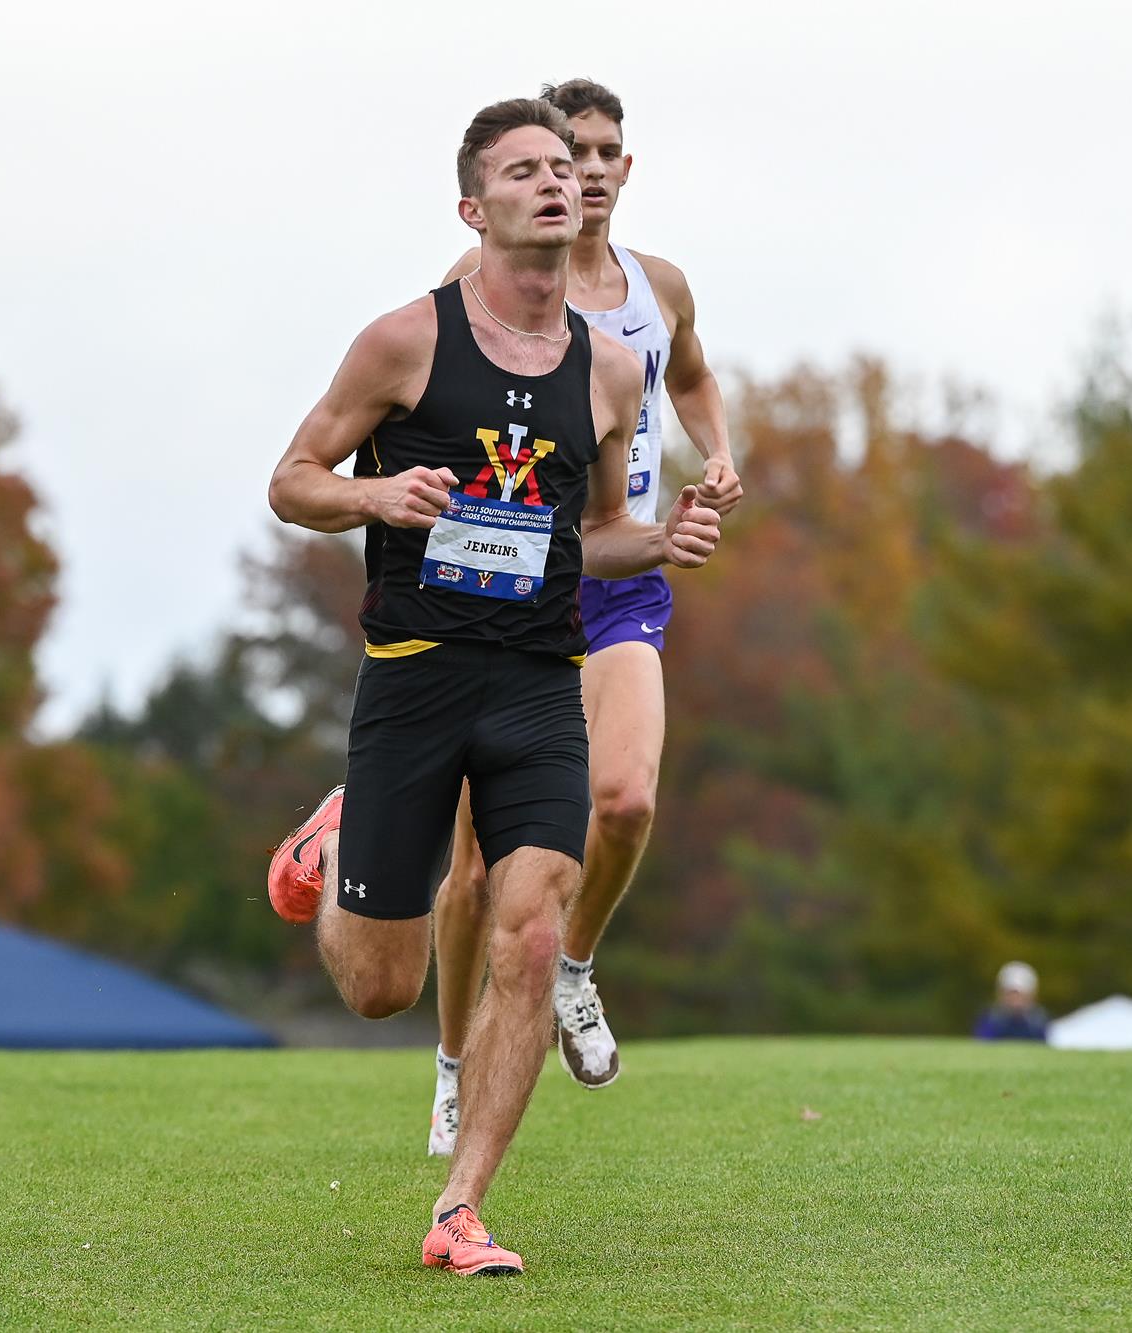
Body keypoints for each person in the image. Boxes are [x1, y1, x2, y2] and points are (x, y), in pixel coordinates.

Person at [263, 96, 721, 1275]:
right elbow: (292, 478)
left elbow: (596, 535)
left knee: (527, 939)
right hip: (414, 677)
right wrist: (372, 497)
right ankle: (342, 829)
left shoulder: (611, 372)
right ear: (474, 208)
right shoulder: (403, 341)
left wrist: (664, 539)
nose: (556, 182)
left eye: (564, 166)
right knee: (381, 986)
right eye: (524, 171)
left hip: (533, 679)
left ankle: (460, 1209)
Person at [422, 79, 745, 1152]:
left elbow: (688, 377)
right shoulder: (475, 285)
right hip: (508, 590)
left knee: (625, 800)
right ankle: (453, 1066)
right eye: (571, 152)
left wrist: (718, 450)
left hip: (617, 572)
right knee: (474, 871)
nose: (589, 169)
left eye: (606, 151)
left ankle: (571, 968)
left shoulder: (657, 287)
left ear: (626, 165)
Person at [973, 960, 1050, 1041]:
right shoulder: (991, 1018)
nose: (1015, 999)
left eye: (1020, 995)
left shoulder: (1040, 1021)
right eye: (1011, 994)